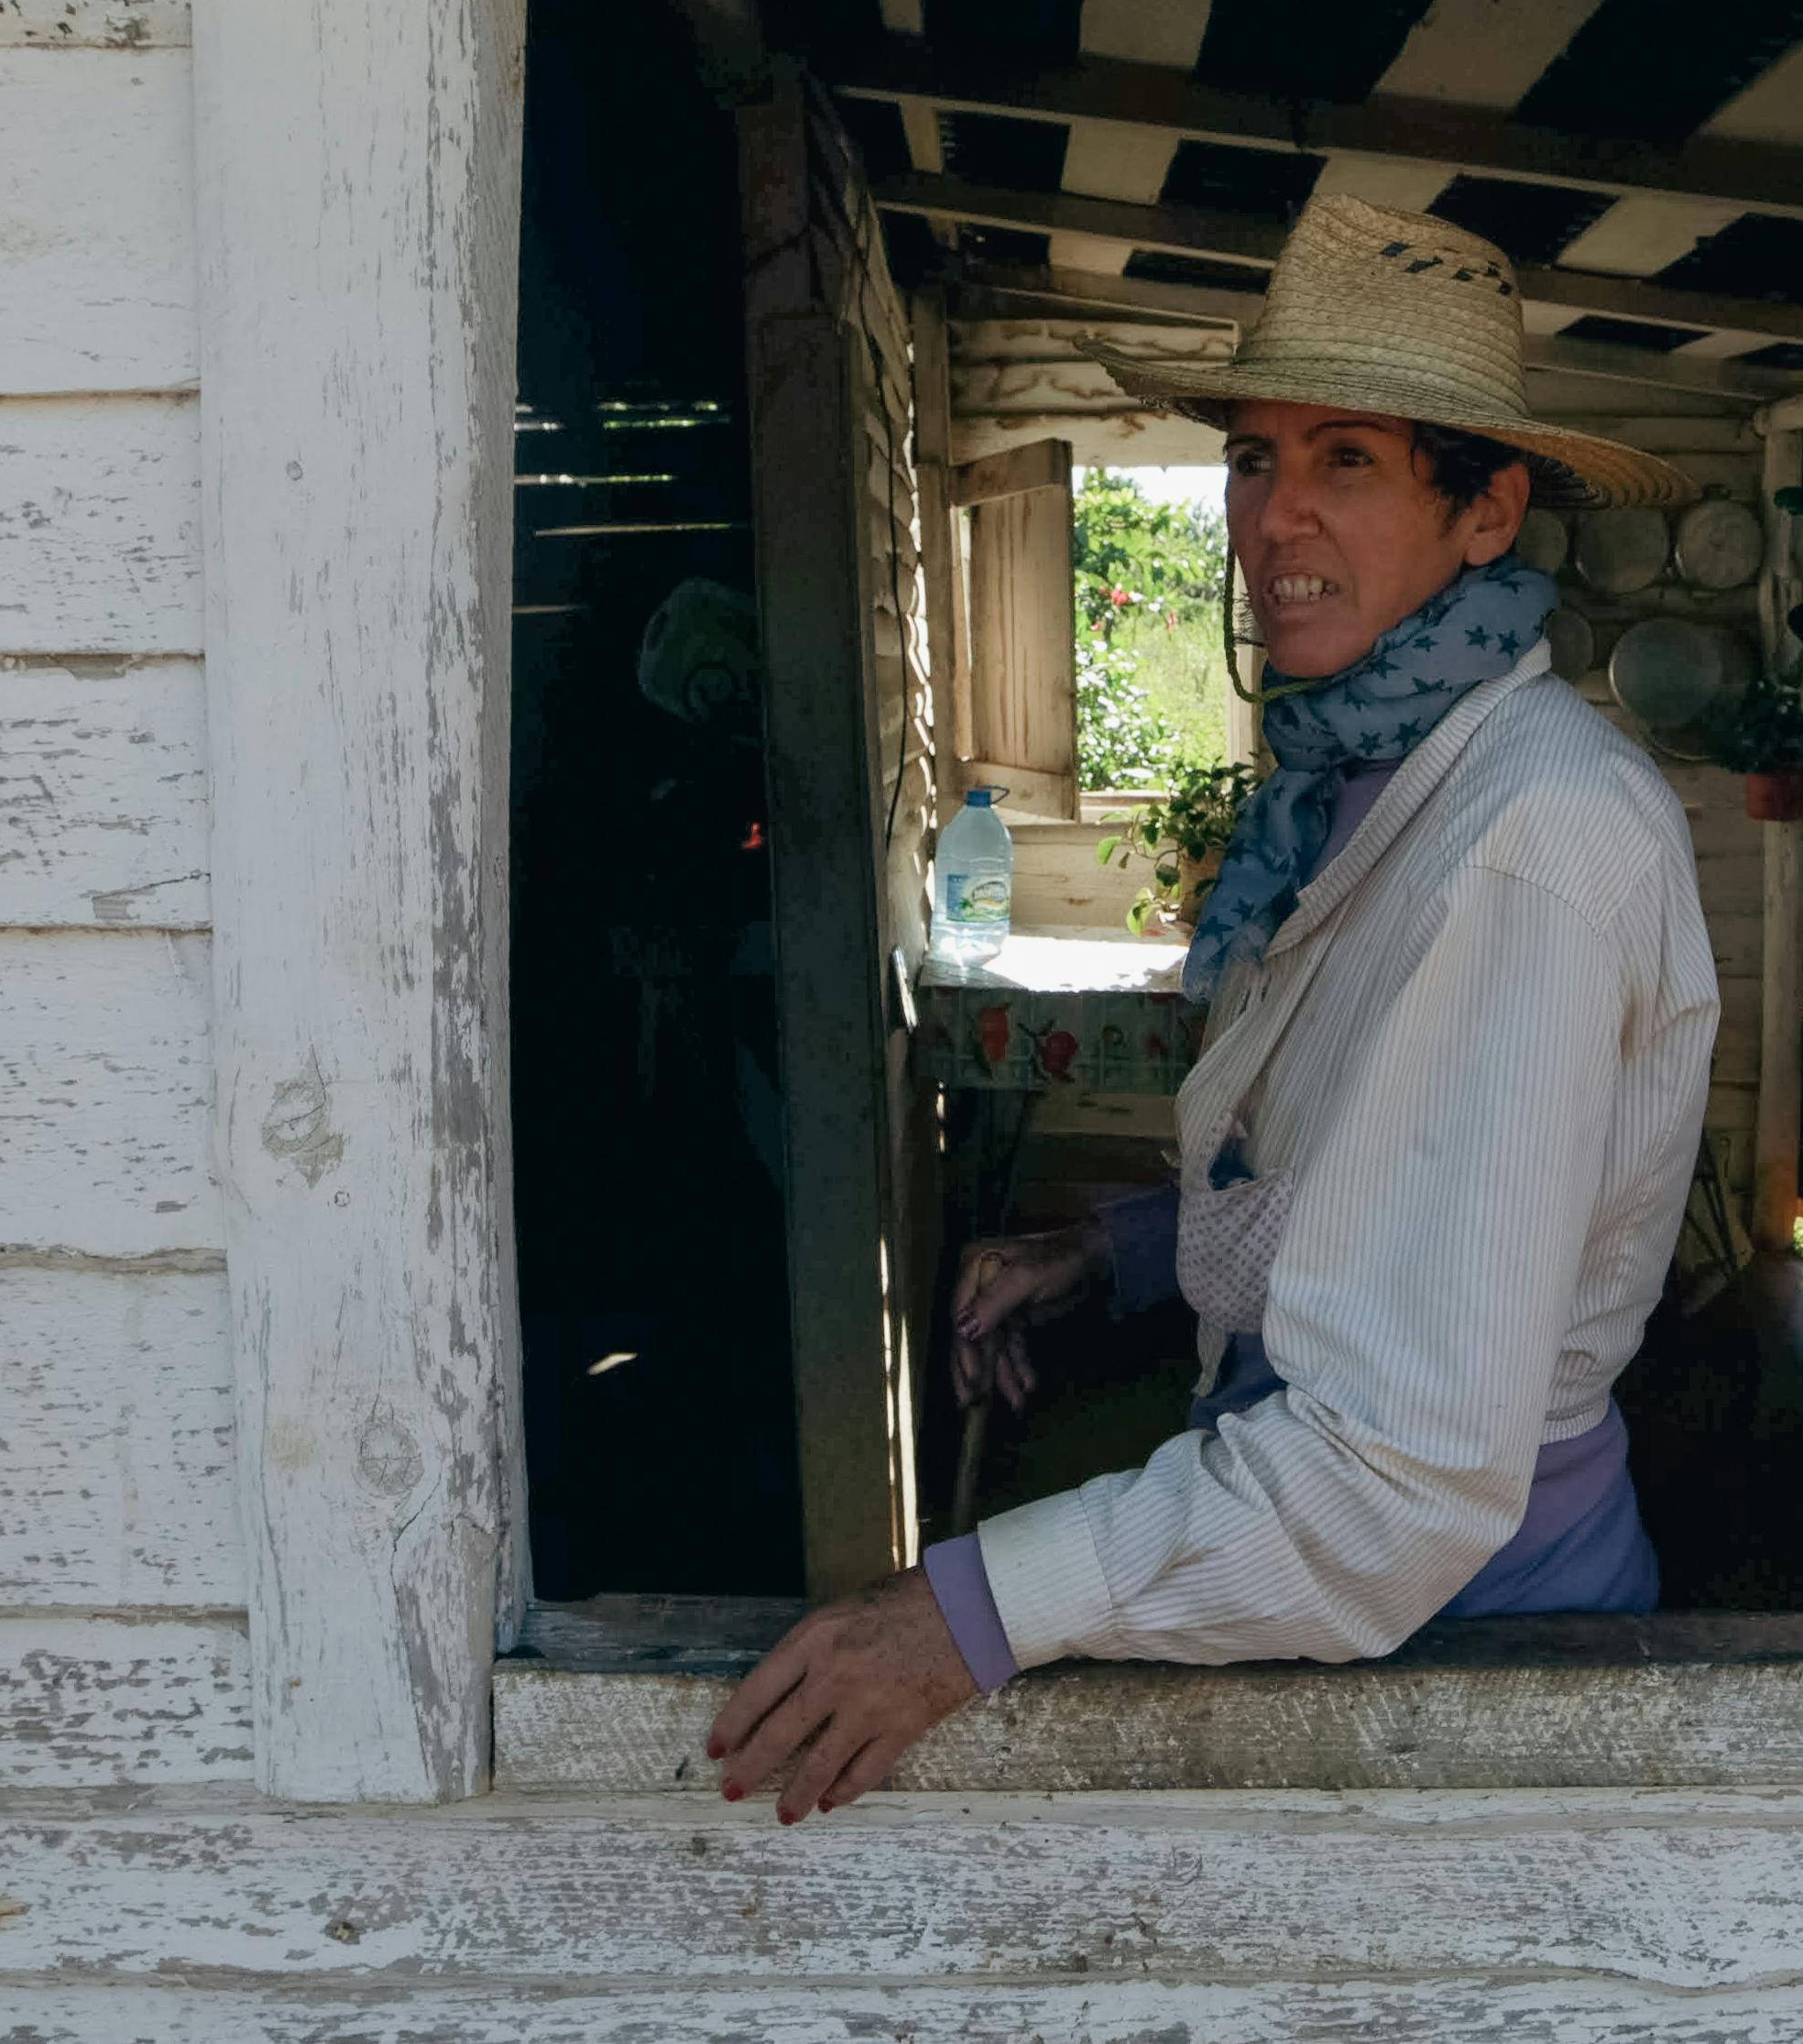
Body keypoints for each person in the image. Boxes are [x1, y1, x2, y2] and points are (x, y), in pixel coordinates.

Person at [708, 194, 1720, 1820]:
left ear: (1485, 512)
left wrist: (965, 1615)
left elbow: (1396, 1474)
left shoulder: (1535, 838)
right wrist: (1106, 1255)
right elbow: (1372, 1181)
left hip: (1469, 1631)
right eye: (1253, 460)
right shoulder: (1363, 777)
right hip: (1369, 1596)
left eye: (1345, 461)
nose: (1270, 518)